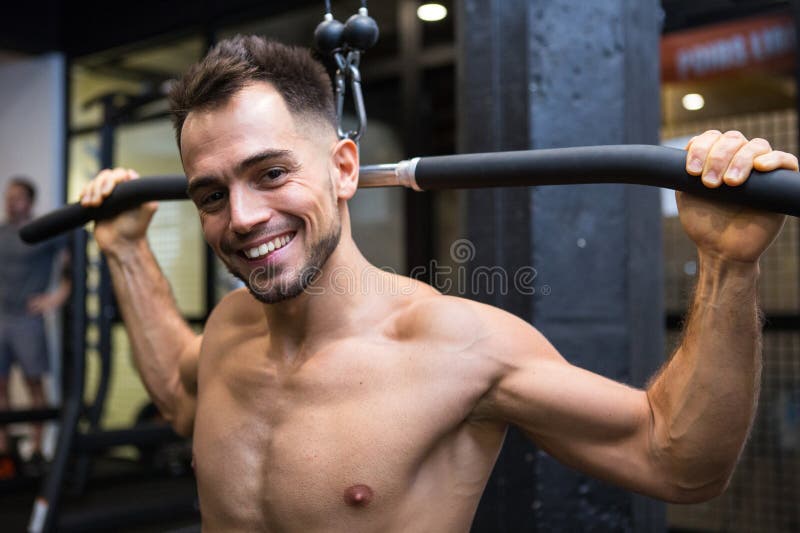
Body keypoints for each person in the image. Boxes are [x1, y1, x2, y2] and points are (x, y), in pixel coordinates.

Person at [77, 36, 799, 531]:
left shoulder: (457, 347)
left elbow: (679, 461)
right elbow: (178, 397)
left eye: (270, 173)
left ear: (344, 169)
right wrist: (127, 252)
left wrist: (726, 263)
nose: (241, 217)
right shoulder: (232, 328)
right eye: (211, 194)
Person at [0, 177, 70, 472]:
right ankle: (3, 450)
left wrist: (55, 298)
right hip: (2, 318)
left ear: (30, 201)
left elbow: (69, 266)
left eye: (17, 197)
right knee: (1, 386)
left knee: (33, 384)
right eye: (9, 196)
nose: (11, 201)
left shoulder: (43, 232)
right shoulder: (2, 232)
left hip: (28, 320)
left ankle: (38, 449)